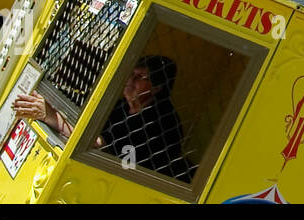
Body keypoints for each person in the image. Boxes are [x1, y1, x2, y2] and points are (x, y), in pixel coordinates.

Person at [12, 55, 192, 180]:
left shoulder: (160, 121)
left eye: (139, 77)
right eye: (131, 74)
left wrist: (49, 116)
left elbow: (96, 145)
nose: (130, 80)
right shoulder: (121, 106)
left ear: (156, 88)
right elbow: (89, 130)